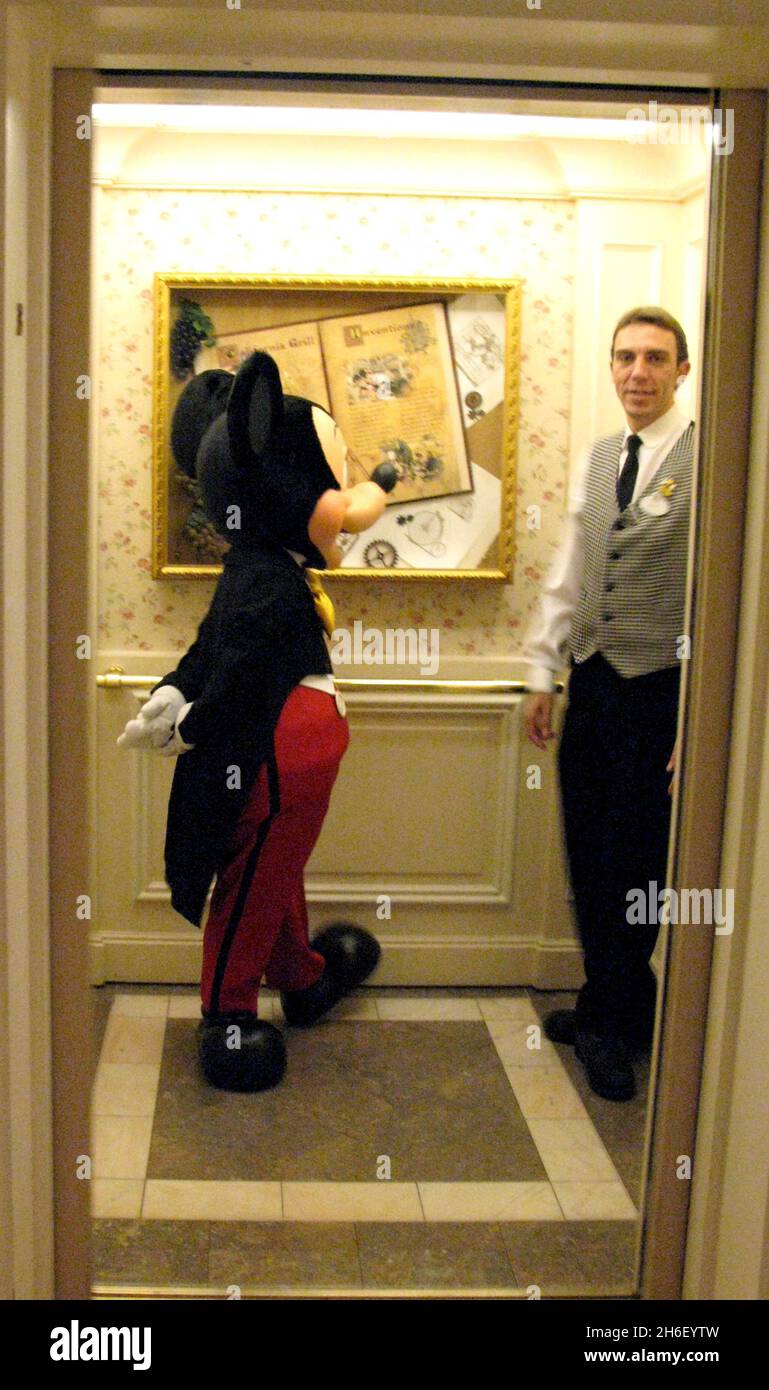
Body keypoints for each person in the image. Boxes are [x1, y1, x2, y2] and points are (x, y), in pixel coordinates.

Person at [118, 352, 395, 1092]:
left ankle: (300, 977)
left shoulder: (261, 566)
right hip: (271, 762)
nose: (341, 502)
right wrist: (189, 715)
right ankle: (227, 1012)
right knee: (250, 884)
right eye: (323, 484)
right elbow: (230, 666)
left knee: (273, 872)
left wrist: (179, 696)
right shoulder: (265, 576)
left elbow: (214, 648)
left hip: (287, 764)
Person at [523, 307, 694, 1102]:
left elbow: (718, 601)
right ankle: (608, 1003)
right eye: (624, 357)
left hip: (661, 692)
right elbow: (568, 568)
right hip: (592, 684)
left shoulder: (709, 460)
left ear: (681, 371)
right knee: (586, 851)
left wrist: (699, 722)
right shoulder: (599, 460)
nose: (637, 372)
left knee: (636, 864)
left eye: (654, 358)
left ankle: (615, 1022)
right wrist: (540, 673)